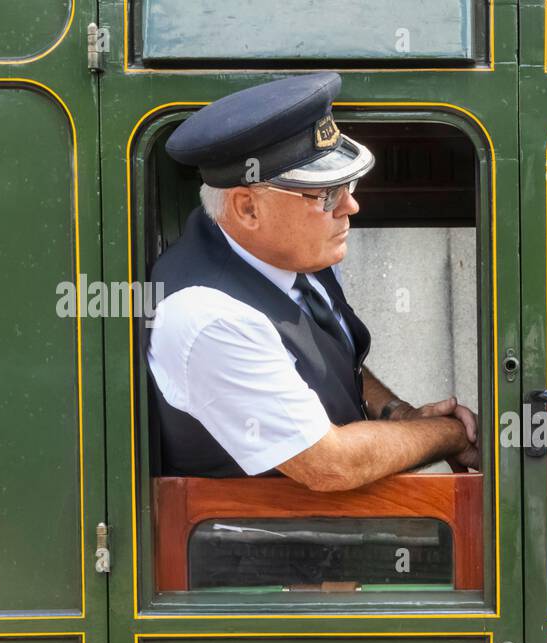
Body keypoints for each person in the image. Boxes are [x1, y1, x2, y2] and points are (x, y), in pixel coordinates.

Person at [146, 72, 480, 491]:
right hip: (260, 548)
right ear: (248, 208)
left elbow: (326, 358)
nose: (351, 206)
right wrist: (450, 434)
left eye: (347, 185)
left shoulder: (289, 252)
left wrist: (397, 413)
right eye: (325, 195)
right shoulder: (209, 317)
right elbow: (330, 463)